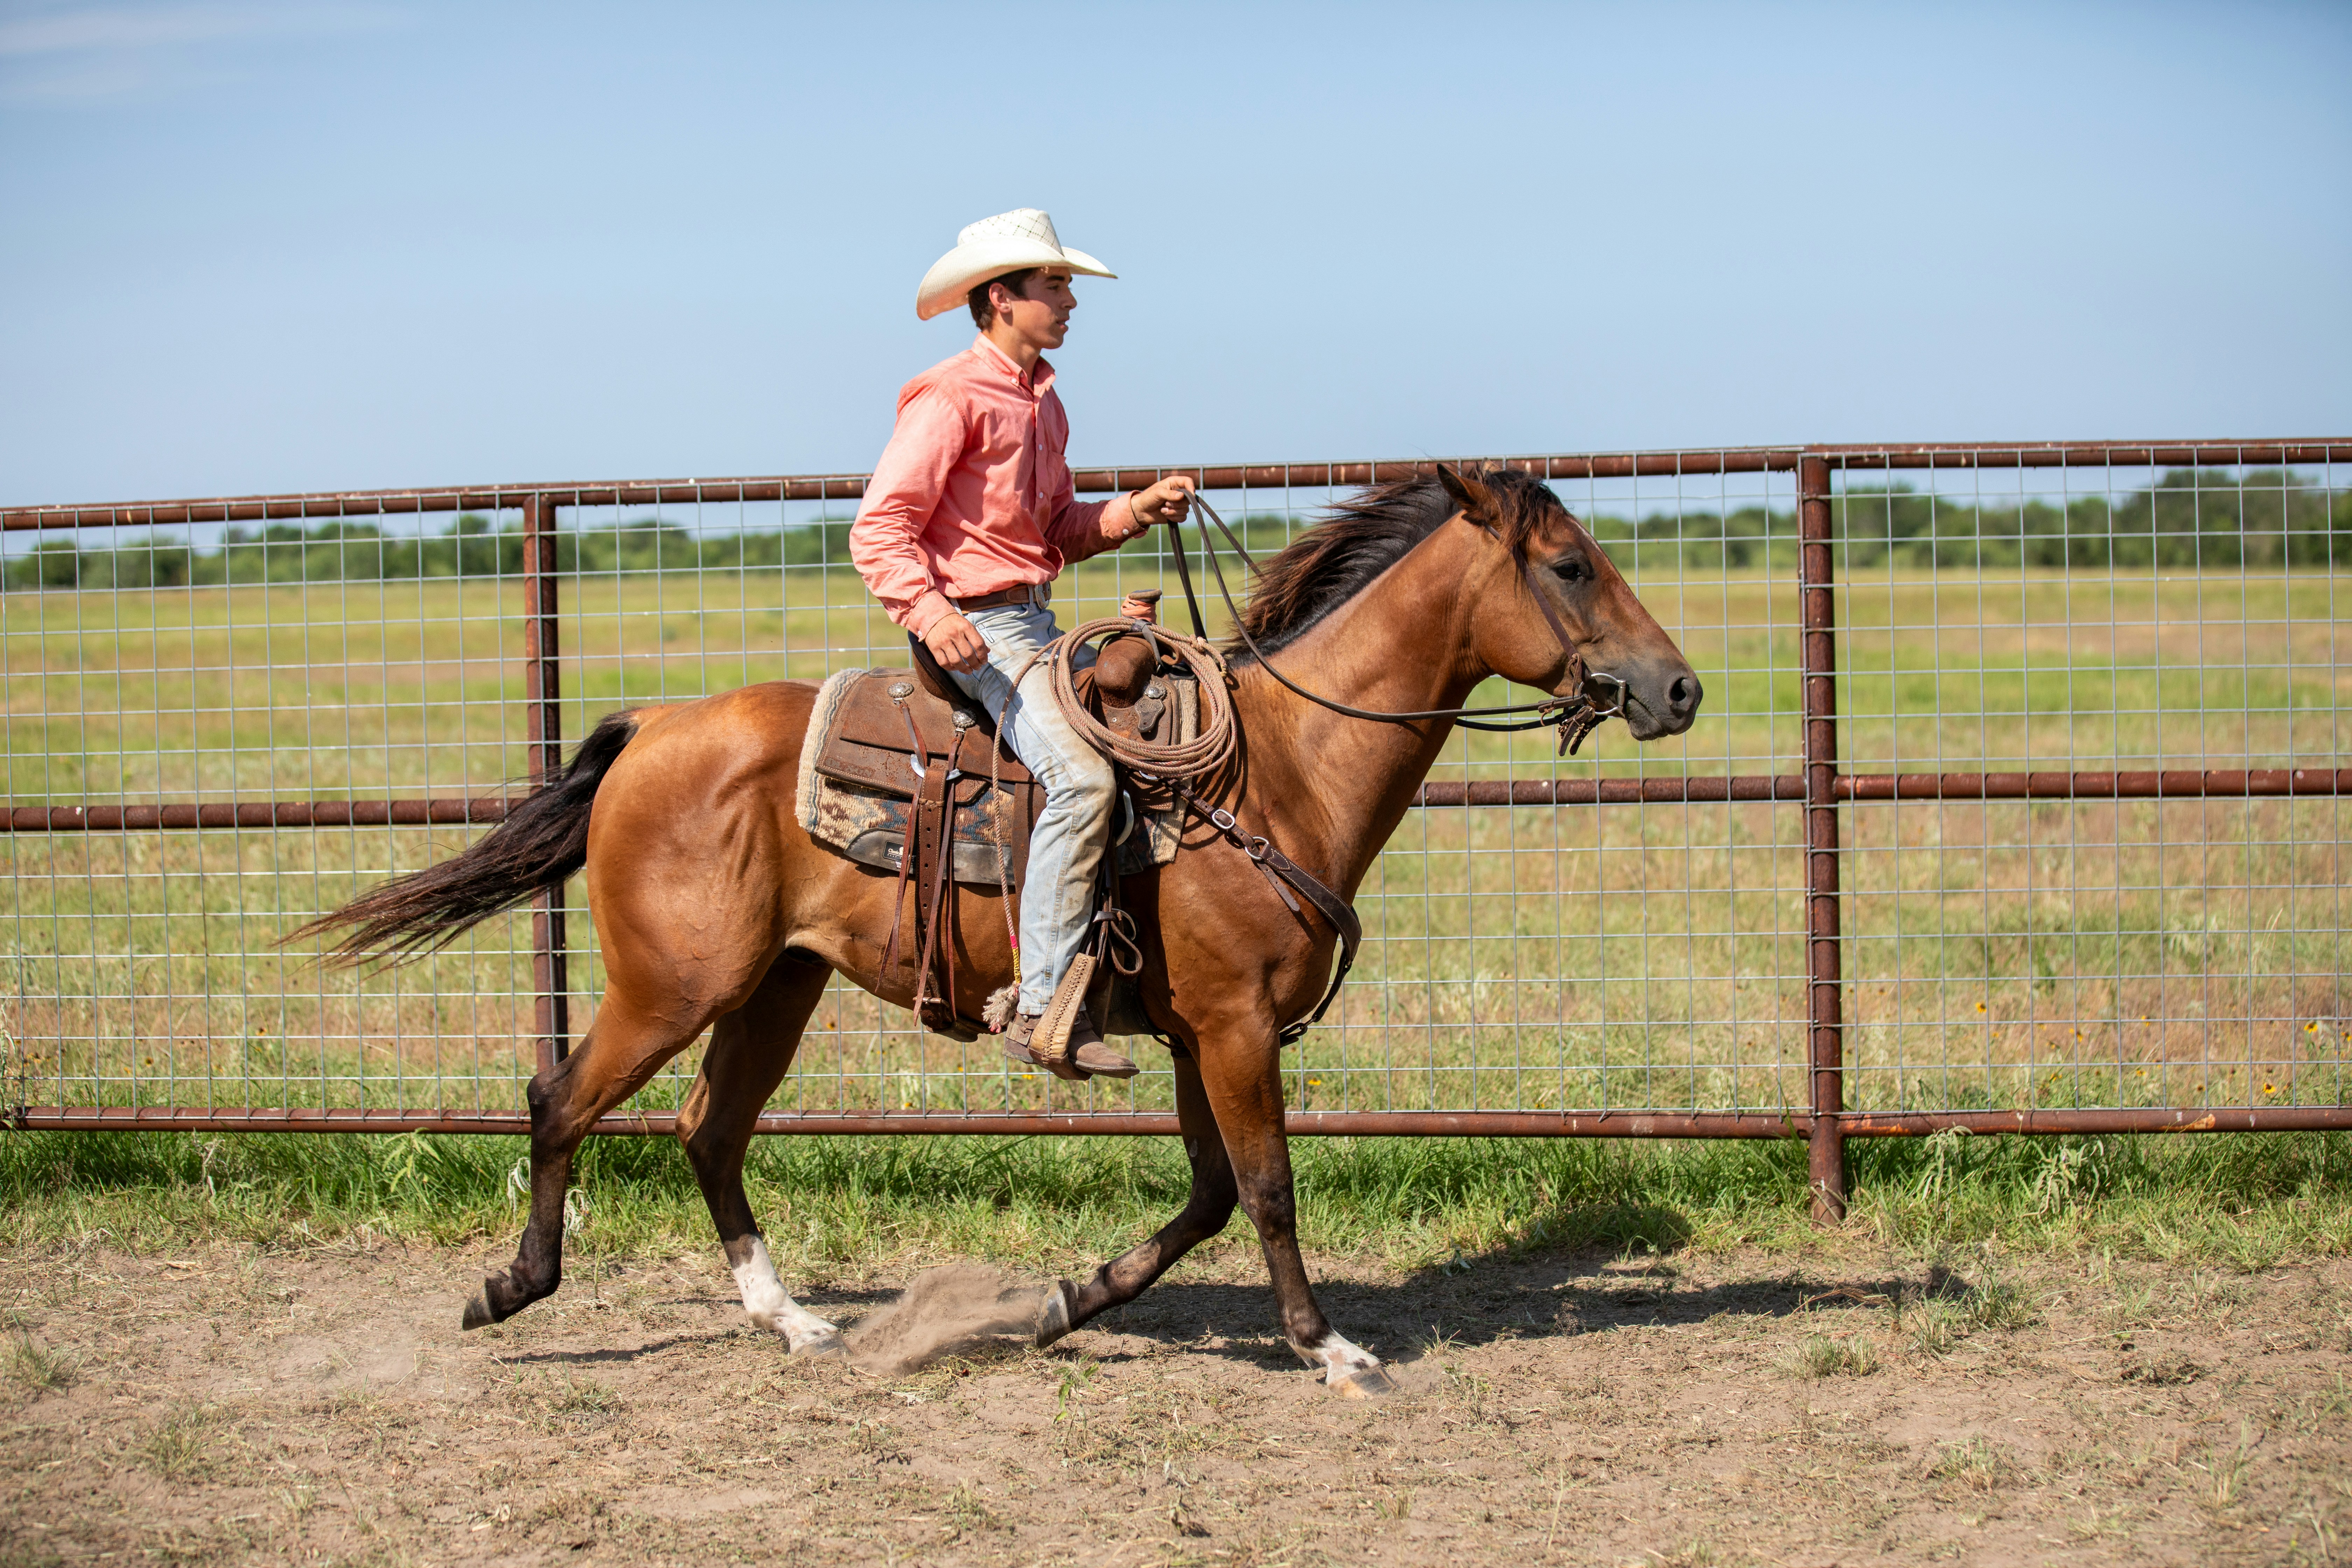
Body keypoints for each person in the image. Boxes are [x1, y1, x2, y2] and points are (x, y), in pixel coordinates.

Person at [848, 209, 1194, 1078]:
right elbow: (881, 529)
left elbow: (1058, 529)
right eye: (1056, 285)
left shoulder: (1045, 402)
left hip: (1035, 621)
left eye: (1069, 285)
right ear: (1001, 298)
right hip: (983, 632)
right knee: (1082, 779)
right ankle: (1042, 1005)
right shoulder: (952, 395)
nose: (1071, 302)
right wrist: (933, 615)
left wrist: (1135, 509)